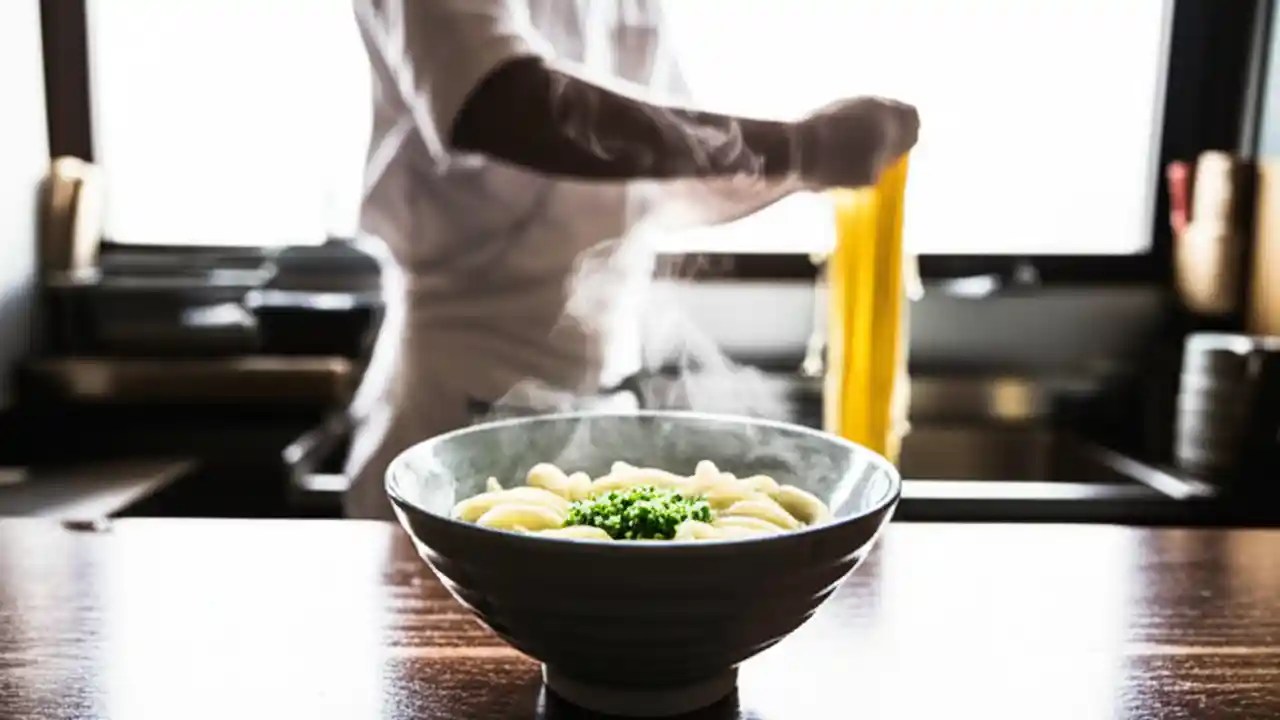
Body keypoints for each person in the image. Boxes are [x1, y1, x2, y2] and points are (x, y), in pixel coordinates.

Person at [344, 0, 920, 520]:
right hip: (456, 397)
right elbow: (496, 100)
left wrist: (805, 167)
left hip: (602, 406)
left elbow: (678, 170)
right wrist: (801, 146)